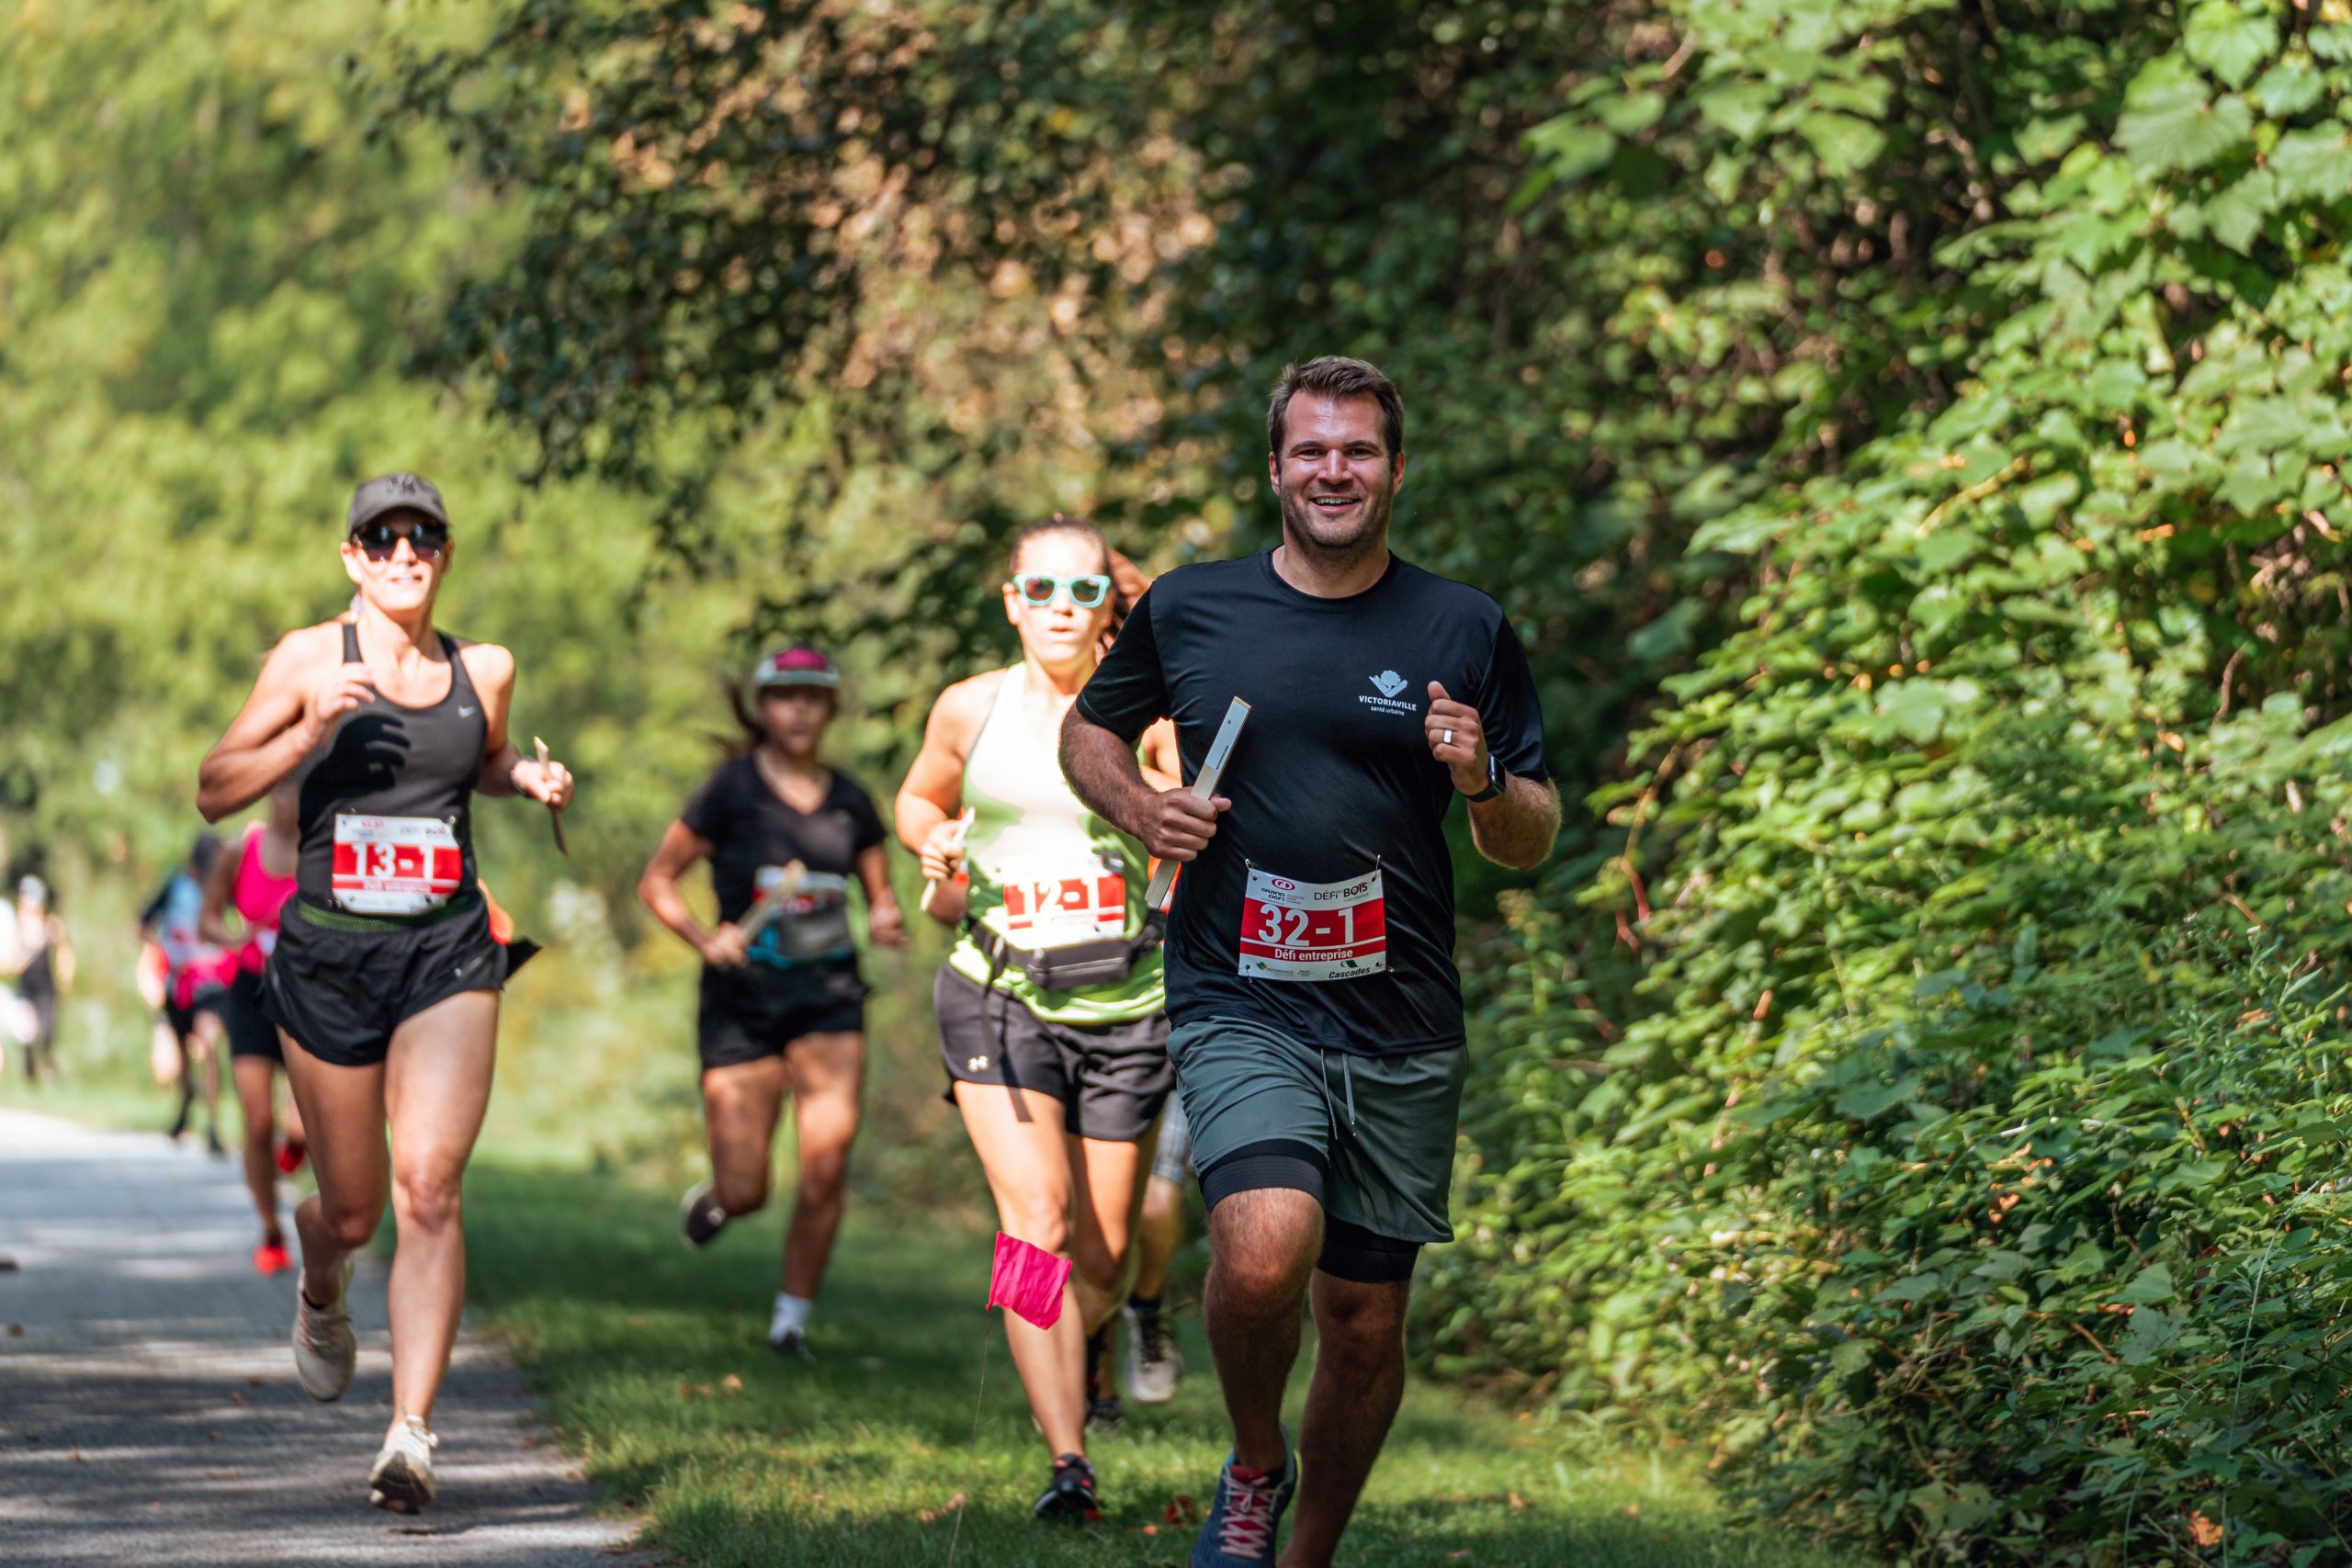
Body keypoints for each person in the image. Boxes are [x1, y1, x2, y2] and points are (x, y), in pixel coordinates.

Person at [1060, 356, 1561, 1568]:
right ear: (1275, 468)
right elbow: (1087, 730)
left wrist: (1481, 777)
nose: (1334, 469)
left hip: (1400, 1015)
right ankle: (1252, 1461)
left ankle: (1308, 1547)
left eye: (1359, 451)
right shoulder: (1193, 606)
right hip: (1242, 993)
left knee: (1363, 1314)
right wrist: (1140, 806)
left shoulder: (1463, 624)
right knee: (1266, 1245)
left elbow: (1531, 836)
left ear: (1396, 469)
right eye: (1311, 450)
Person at [196, 471, 573, 1516]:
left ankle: (410, 1433)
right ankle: (322, 1286)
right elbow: (216, 786)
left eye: (424, 538)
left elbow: (483, 761)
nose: (405, 553)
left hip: (446, 950)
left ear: (444, 554)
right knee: (354, 1211)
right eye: (383, 537)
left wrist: (525, 783)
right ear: (352, 556)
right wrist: (308, 728)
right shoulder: (310, 658)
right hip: (326, 959)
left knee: (431, 1189)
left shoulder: (483, 667)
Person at [897, 515, 1184, 1524]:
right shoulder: (970, 707)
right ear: (1011, 601)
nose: (1062, 610)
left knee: (1100, 1256)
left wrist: (1168, 799)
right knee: (1036, 1222)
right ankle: (1069, 1464)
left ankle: (1088, 1338)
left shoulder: (1146, 712)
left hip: (1127, 1006)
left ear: (1109, 601)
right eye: (1042, 591)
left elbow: (1192, 812)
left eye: (1082, 591)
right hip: (998, 991)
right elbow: (918, 799)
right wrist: (934, 840)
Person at [638, 645, 906, 1360]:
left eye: (812, 696)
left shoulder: (850, 799)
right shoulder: (729, 789)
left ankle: (790, 1324)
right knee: (748, 1185)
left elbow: (881, 896)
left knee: (827, 1160)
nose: (798, 708)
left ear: (830, 707)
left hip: (828, 998)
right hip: (742, 1003)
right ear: (762, 707)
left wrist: (885, 915)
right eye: (785, 695)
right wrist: (704, 937)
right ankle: (720, 1198)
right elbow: (658, 880)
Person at [198, 779, 308, 1275]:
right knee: (257, 1121)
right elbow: (206, 920)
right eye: (280, 791)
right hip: (250, 991)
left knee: (299, 1125)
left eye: (298, 792)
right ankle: (271, 1231)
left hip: (308, 994)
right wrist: (235, 935)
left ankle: (298, 1144)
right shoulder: (240, 851)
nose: (288, 802)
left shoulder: (325, 852)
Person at [136, 833, 232, 1147]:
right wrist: (161, 950)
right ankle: (186, 1105)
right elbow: (142, 922)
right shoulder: (175, 885)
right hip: (177, 980)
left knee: (207, 1042)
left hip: (209, 980)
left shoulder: (219, 886)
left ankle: (213, 1121)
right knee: (181, 1048)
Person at [1121, 1096, 1192, 1404]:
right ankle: (1050, 1366)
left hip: (1130, 1060)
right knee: (1040, 1222)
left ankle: (1090, 1395)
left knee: (1101, 1253)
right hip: (1013, 1063)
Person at [7, 875, 75, 1082]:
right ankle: (31, 1074)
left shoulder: (50, 925)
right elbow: (10, 960)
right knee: (26, 1035)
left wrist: (66, 976)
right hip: (25, 988)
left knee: (47, 1033)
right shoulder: (17, 927)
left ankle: (50, 1069)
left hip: (46, 987)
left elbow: (65, 952)